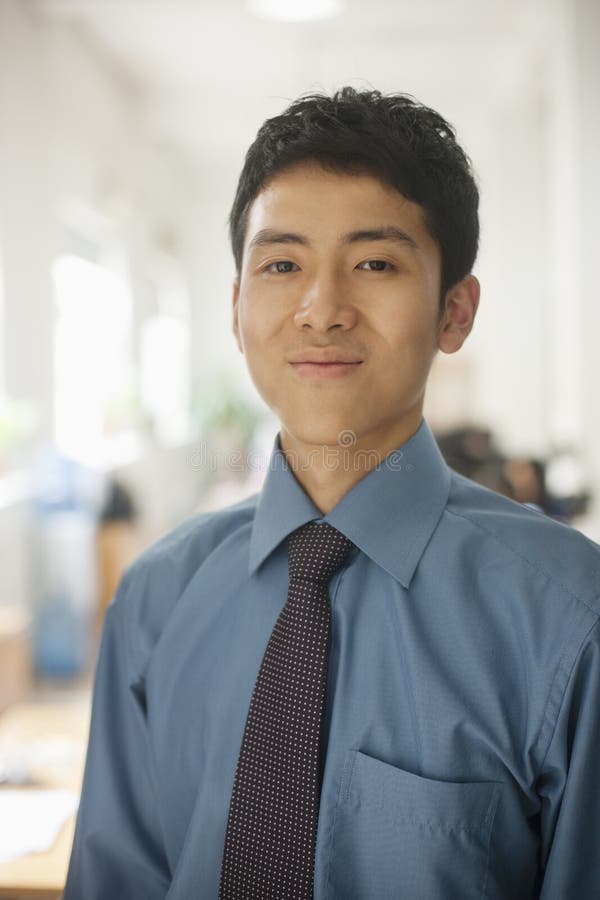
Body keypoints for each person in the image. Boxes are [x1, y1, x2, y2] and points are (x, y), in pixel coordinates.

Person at [64, 88, 600, 900]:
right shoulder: (155, 601)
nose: (321, 310)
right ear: (237, 308)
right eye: (282, 264)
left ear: (455, 309)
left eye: (375, 263)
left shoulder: (568, 619)